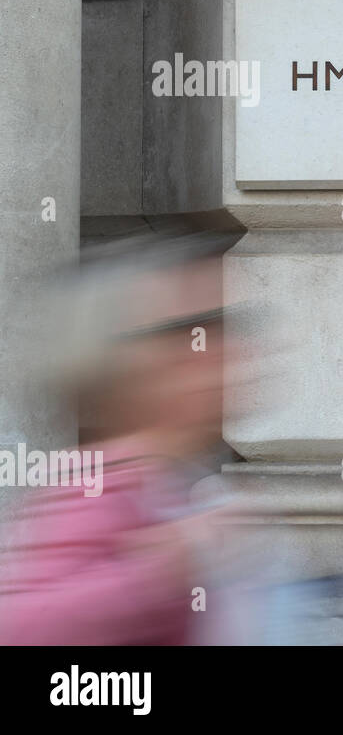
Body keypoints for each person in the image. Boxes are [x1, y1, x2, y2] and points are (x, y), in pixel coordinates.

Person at [0, 229, 254, 645]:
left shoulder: (186, 483)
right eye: (196, 330)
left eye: (228, 324)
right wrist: (161, 567)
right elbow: (22, 629)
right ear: (129, 363)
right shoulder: (94, 485)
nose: (228, 349)